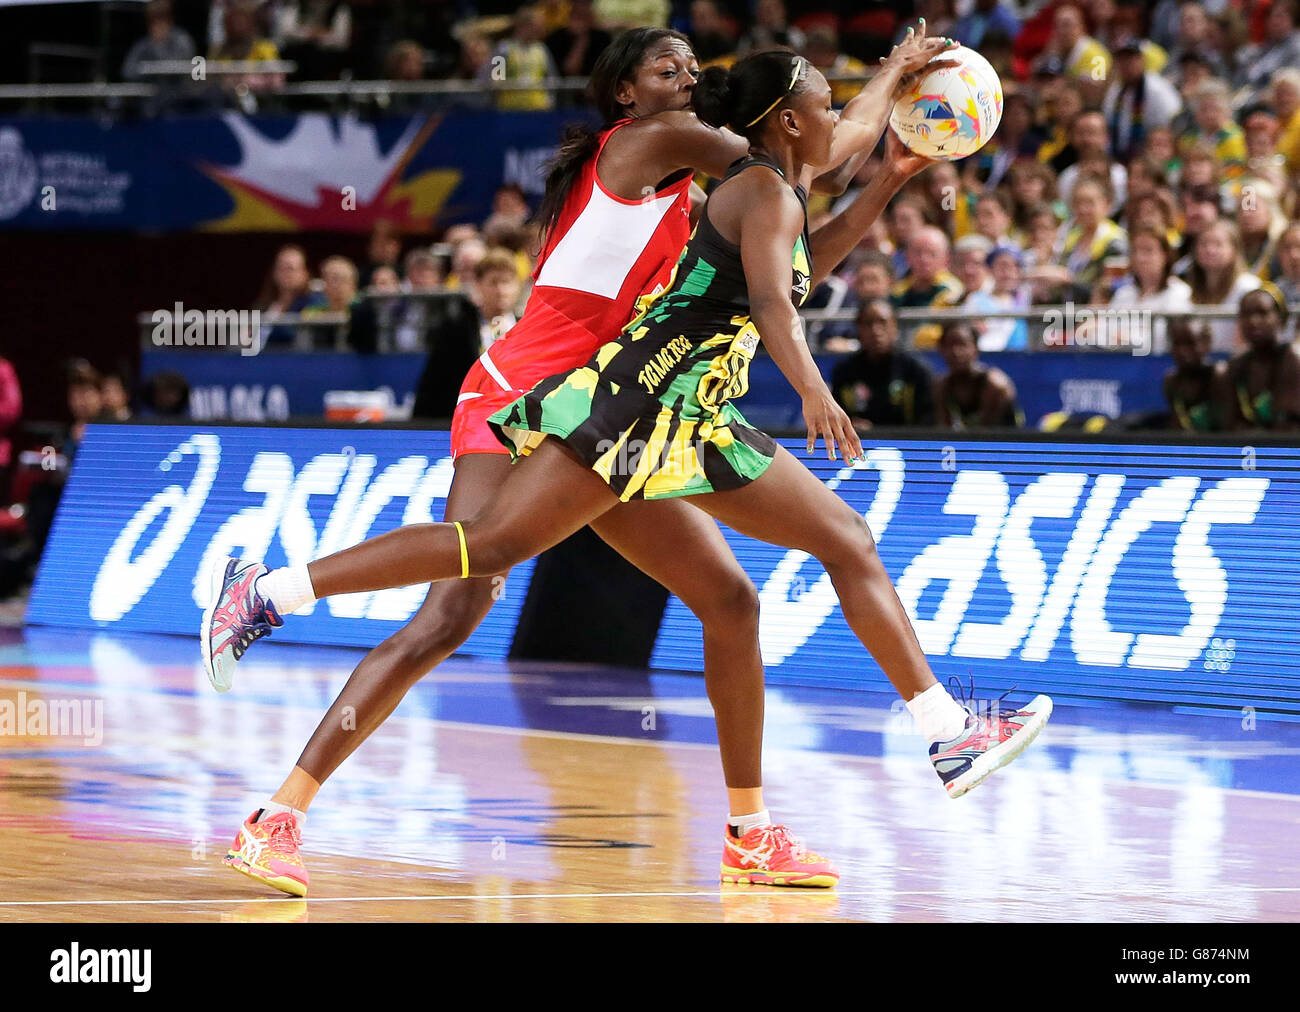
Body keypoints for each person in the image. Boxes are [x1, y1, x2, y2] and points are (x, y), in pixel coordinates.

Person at [202, 27, 971, 898]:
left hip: (613, 410)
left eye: (690, 64)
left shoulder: (706, 198)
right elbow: (817, 146)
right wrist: (890, 78)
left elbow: (801, 231)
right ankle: (271, 671)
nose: (683, 74)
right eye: (662, 67)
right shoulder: (653, 142)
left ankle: (751, 833)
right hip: (519, 391)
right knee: (456, 606)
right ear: (626, 98)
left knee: (727, 597)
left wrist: (887, 151)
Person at [831, 299, 936, 426]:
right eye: (868, 323)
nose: (876, 331)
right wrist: (850, 425)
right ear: (858, 328)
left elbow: (928, 422)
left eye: (883, 322)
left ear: (895, 327)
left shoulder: (916, 369)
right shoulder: (844, 371)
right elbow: (836, 419)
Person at [1223, 286, 1300, 430]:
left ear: (1281, 319)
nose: (1253, 321)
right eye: (1246, 314)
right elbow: (1231, 423)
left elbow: (1288, 424)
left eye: (1262, 313)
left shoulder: (1293, 360)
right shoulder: (1235, 366)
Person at [1108, 225, 1191, 353]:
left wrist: (1127, 338)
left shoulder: (1179, 293)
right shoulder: (1124, 293)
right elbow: (1105, 331)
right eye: (1135, 251)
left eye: (1148, 251)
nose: (1140, 258)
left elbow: (1165, 339)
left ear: (1165, 255)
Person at [1187, 219, 1261, 352]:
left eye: (1218, 244)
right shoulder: (1187, 291)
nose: (1209, 250)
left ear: (1234, 249)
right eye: (1204, 244)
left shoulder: (1247, 287)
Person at [934, 322, 1021, 428]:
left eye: (962, 345)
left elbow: (984, 433)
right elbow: (943, 431)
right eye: (950, 345)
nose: (956, 352)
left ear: (975, 348)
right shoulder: (940, 387)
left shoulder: (996, 386)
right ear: (941, 350)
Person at [1162, 317, 1224, 431]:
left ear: (1207, 343)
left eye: (1190, 343)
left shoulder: (1219, 376)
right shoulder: (1171, 381)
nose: (1183, 351)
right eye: (1177, 344)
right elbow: (1177, 428)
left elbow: (1229, 429)